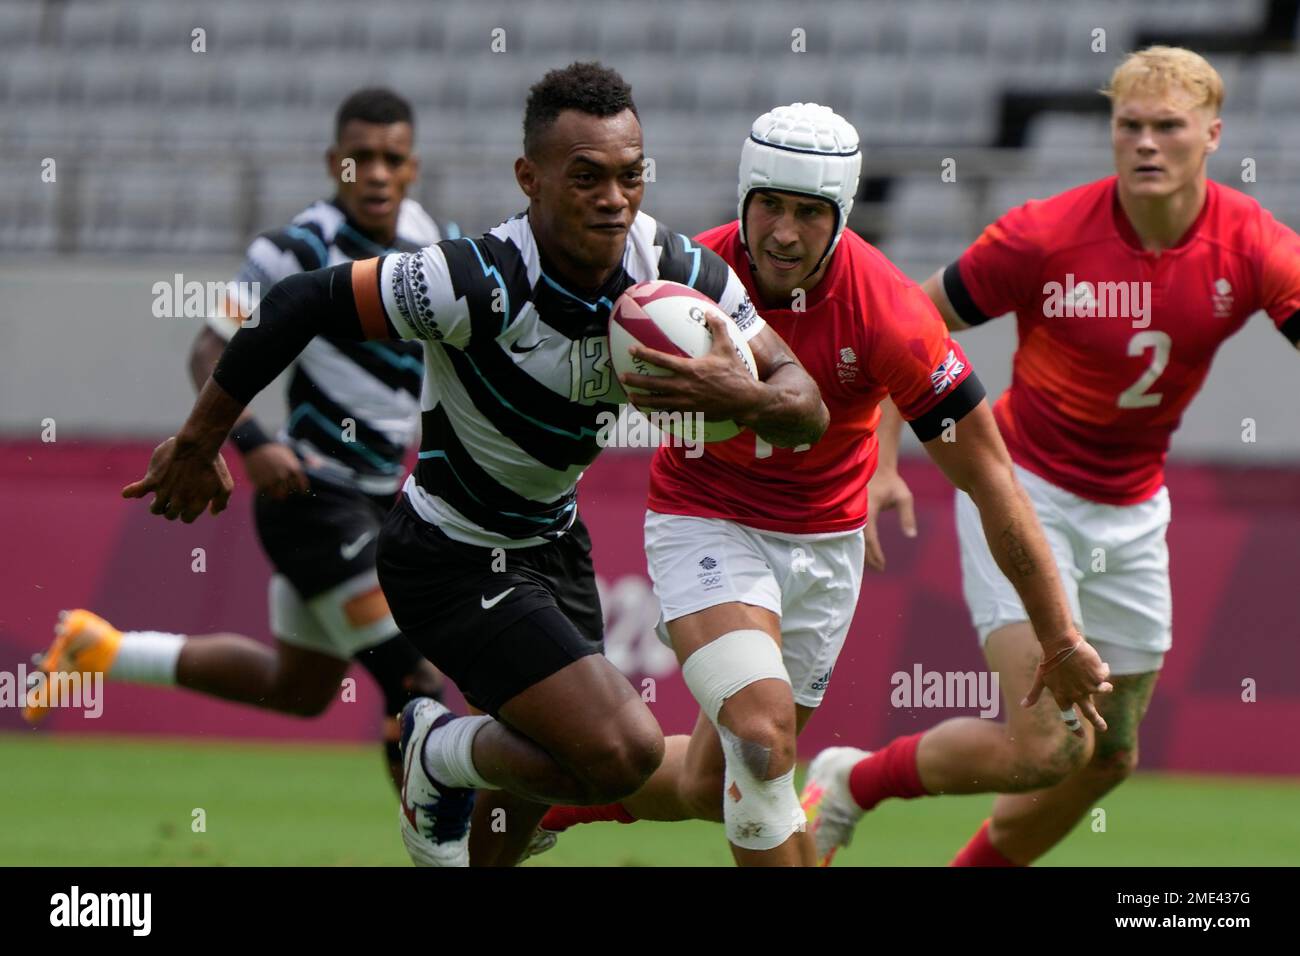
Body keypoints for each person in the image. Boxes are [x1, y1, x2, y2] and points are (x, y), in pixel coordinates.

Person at [120, 62, 830, 868]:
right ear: (529, 178)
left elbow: (803, 402)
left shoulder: (675, 273)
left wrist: (732, 391)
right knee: (622, 754)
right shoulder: (474, 280)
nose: (613, 198)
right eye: (586, 177)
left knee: (546, 791)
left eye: (631, 176)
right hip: (450, 554)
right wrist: (204, 438)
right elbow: (297, 303)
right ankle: (437, 751)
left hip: (555, 547)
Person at [536, 103, 1112, 866]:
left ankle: (543, 792)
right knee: (763, 742)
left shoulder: (891, 313)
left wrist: (1061, 636)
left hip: (825, 548)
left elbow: (991, 478)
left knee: (718, 784)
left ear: (841, 216)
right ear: (743, 197)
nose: (782, 232)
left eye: (809, 212)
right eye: (768, 204)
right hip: (705, 521)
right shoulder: (678, 285)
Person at [803, 47, 1300, 866]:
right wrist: (880, 458)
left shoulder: (1249, 244)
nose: (1145, 143)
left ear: (1212, 135)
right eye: (1128, 125)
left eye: (1167, 127)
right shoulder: (1045, 234)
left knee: (1110, 755)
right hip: (1022, 493)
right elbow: (903, 327)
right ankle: (854, 782)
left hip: (1136, 509)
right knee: (1048, 746)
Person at [27, 89, 447, 790]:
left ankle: (100, 649)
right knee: (415, 677)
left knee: (299, 688)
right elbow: (207, 349)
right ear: (333, 163)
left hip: (381, 499)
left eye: (391, 159)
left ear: (413, 168)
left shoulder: (429, 241)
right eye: (360, 158)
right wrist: (248, 439)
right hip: (309, 495)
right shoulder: (291, 250)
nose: (375, 173)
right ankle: (446, 853)